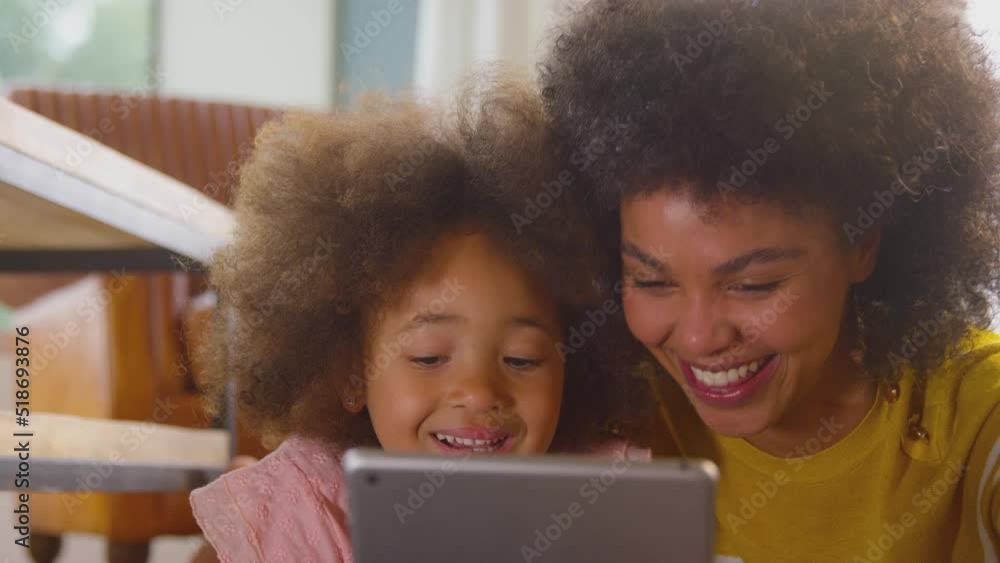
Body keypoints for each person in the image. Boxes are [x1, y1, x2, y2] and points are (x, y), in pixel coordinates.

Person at [540, 0, 1000, 560]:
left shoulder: (980, 417)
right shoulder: (602, 411)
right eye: (651, 280)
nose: (698, 338)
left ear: (862, 245)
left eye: (753, 285)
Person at [186, 76, 650, 562]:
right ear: (350, 371)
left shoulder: (605, 497)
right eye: (429, 357)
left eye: (522, 359)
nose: (479, 391)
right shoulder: (304, 511)